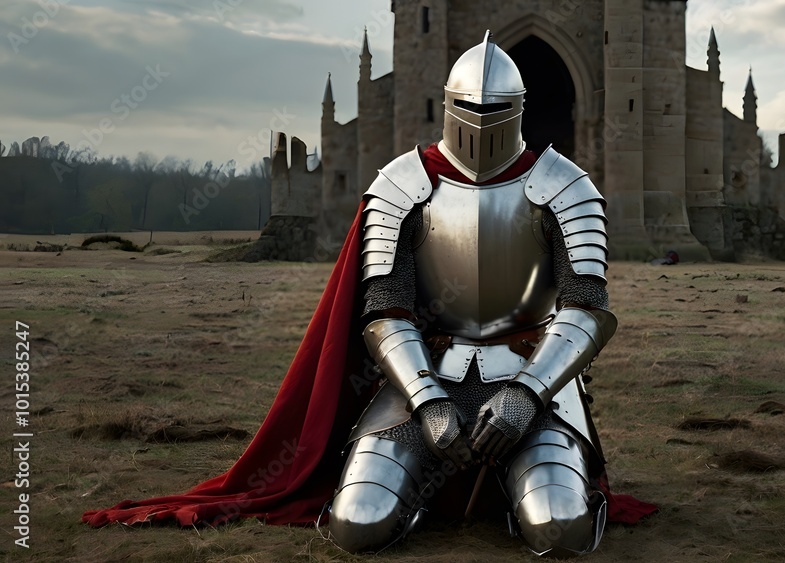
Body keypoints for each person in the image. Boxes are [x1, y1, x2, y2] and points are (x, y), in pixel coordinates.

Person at [83, 31, 654, 557]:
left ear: (519, 111)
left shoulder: (565, 186)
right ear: (448, 106)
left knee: (560, 529)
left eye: (495, 110)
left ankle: (520, 483)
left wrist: (528, 394)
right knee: (359, 522)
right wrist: (427, 401)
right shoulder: (404, 184)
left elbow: (584, 308)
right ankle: (436, 484)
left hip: (532, 375)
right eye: (471, 108)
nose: (481, 122)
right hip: (423, 371)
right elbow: (386, 311)